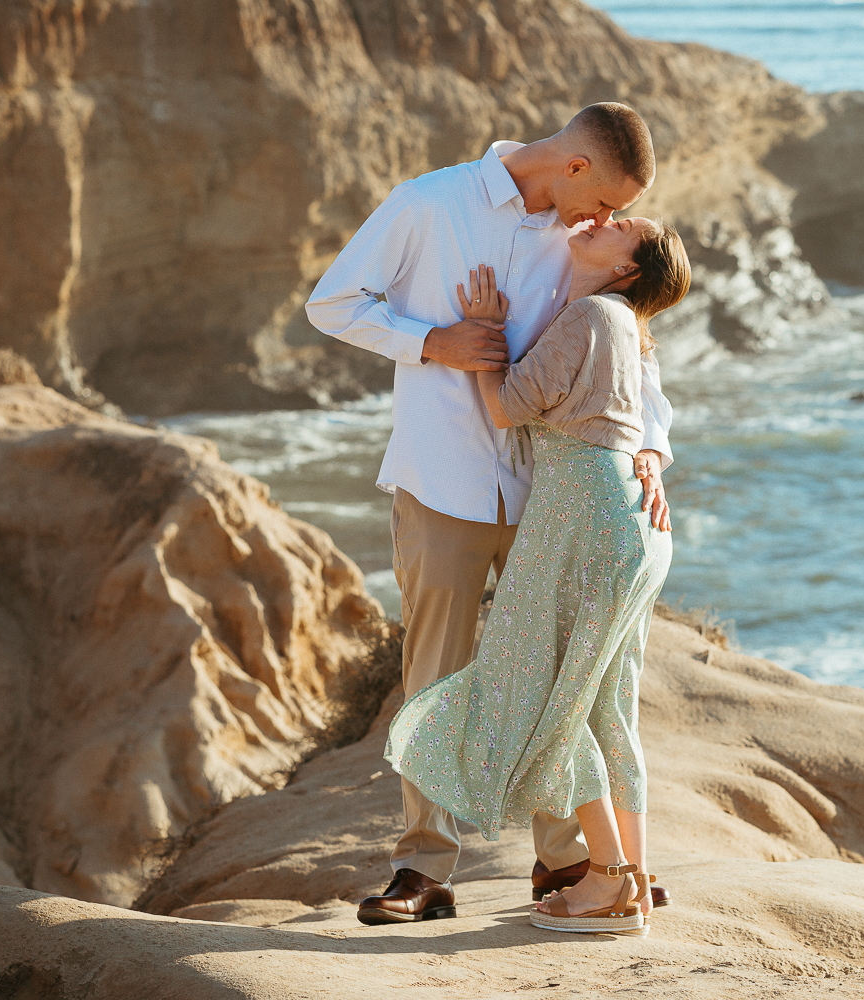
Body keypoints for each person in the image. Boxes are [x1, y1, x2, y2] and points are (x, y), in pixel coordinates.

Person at [305, 103, 675, 925]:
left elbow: (630, 345)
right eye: (604, 202)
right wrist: (432, 342)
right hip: (445, 478)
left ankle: (569, 862)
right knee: (435, 671)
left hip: (556, 493)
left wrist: (649, 447)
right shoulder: (429, 204)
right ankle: (423, 868)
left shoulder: (580, 244)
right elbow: (332, 302)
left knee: (560, 676)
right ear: (575, 166)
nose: (602, 221)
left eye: (614, 215)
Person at [386, 215, 692, 933]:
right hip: (625, 520)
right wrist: (650, 454)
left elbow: (502, 408)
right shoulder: (619, 322)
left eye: (623, 225)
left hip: (582, 517)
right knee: (605, 705)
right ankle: (630, 878)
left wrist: (485, 336)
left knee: (559, 701)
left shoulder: (590, 315)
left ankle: (607, 880)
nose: (605, 219)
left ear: (626, 268)